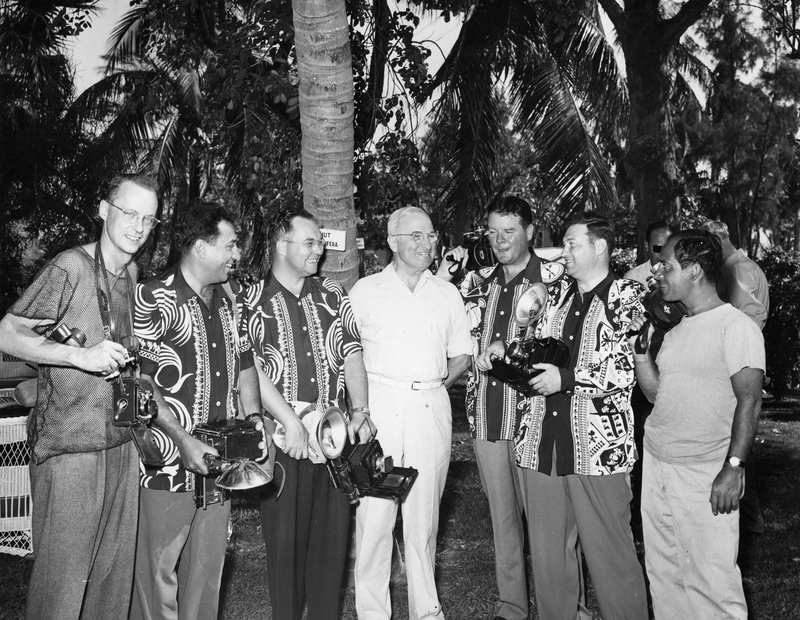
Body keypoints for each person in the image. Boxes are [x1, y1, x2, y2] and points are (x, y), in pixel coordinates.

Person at [0, 173, 159, 620]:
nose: (138, 227)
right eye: (129, 213)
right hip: (70, 450)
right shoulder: (69, 266)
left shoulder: (130, 272)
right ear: (105, 210)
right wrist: (77, 356)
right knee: (62, 591)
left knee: (111, 588)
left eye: (148, 219)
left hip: (120, 444)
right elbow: (9, 332)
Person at [477, 212, 649, 620]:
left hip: (597, 450)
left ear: (600, 247)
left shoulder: (625, 297)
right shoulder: (554, 296)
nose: (564, 252)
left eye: (573, 244)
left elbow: (626, 370)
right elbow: (530, 346)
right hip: (540, 444)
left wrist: (567, 378)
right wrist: (503, 353)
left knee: (611, 556)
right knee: (550, 556)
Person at [130, 201, 266, 620]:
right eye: (230, 244)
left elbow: (245, 365)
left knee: (207, 576)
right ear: (200, 247)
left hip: (219, 465)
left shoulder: (229, 300)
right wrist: (182, 439)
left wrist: (256, 418)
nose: (237, 253)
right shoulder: (154, 296)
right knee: (157, 581)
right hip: (166, 464)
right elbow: (142, 382)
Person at [240, 207, 376, 620]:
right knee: (285, 548)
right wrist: (288, 421)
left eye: (320, 241)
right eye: (309, 242)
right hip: (285, 444)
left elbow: (352, 353)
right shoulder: (250, 299)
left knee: (331, 548)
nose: (319, 249)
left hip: (333, 441)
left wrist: (360, 410)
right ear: (282, 246)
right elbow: (249, 368)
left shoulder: (333, 294)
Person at [628, 229, 764, 619]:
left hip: (704, 474)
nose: (657, 273)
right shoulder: (678, 329)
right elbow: (658, 395)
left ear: (692, 270)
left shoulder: (736, 326)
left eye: (665, 265)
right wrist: (642, 356)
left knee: (712, 583)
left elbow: (749, 400)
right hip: (658, 465)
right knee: (665, 575)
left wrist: (733, 467)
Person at [349, 206, 473, 620]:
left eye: (431, 235)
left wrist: (434, 384)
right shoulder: (364, 292)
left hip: (429, 410)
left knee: (423, 519)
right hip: (380, 408)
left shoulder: (446, 293)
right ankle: (372, 613)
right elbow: (347, 356)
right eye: (416, 236)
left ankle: (427, 611)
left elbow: (462, 353)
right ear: (393, 242)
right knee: (375, 518)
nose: (427, 244)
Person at [435, 196, 541, 620]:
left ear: (530, 232)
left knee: (551, 523)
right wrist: (445, 271)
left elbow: (565, 343)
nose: (499, 241)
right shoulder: (477, 283)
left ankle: (567, 607)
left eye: (509, 231)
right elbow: (434, 308)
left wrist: (513, 347)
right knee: (503, 520)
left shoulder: (555, 281)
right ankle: (512, 606)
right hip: (488, 418)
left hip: (536, 422)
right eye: (492, 232)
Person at [700, 219, 769, 536]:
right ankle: (748, 518)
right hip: (739, 362)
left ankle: (749, 520)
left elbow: (749, 316)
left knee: (735, 442)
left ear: (718, 238)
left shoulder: (737, 271)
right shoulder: (743, 266)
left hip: (736, 364)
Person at [624, 220, 673, 286]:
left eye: (667, 248)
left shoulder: (680, 278)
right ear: (647, 246)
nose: (663, 255)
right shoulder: (632, 278)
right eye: (658, 248)